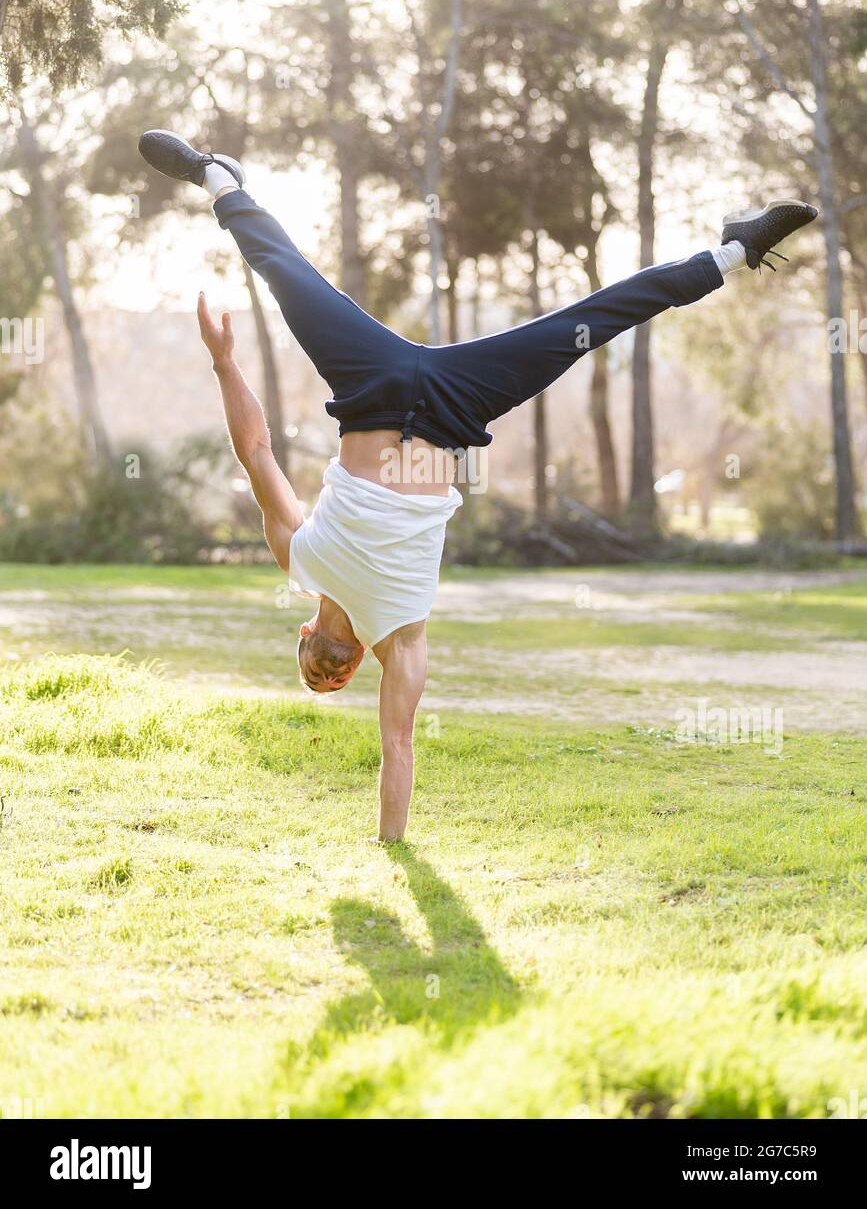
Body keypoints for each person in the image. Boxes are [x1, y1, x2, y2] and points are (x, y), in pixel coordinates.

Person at [138, 129, 818, 839]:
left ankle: (733, 251)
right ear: (304, 628)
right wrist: (222, 361)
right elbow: (255, 449)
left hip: (450, 406)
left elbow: (395, 749)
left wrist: (390, 843)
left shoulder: (399, 635)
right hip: (375, 384)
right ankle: (218, 178)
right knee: (285, 273)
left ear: (354, 661)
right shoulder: (301, 562)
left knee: (595, 318)